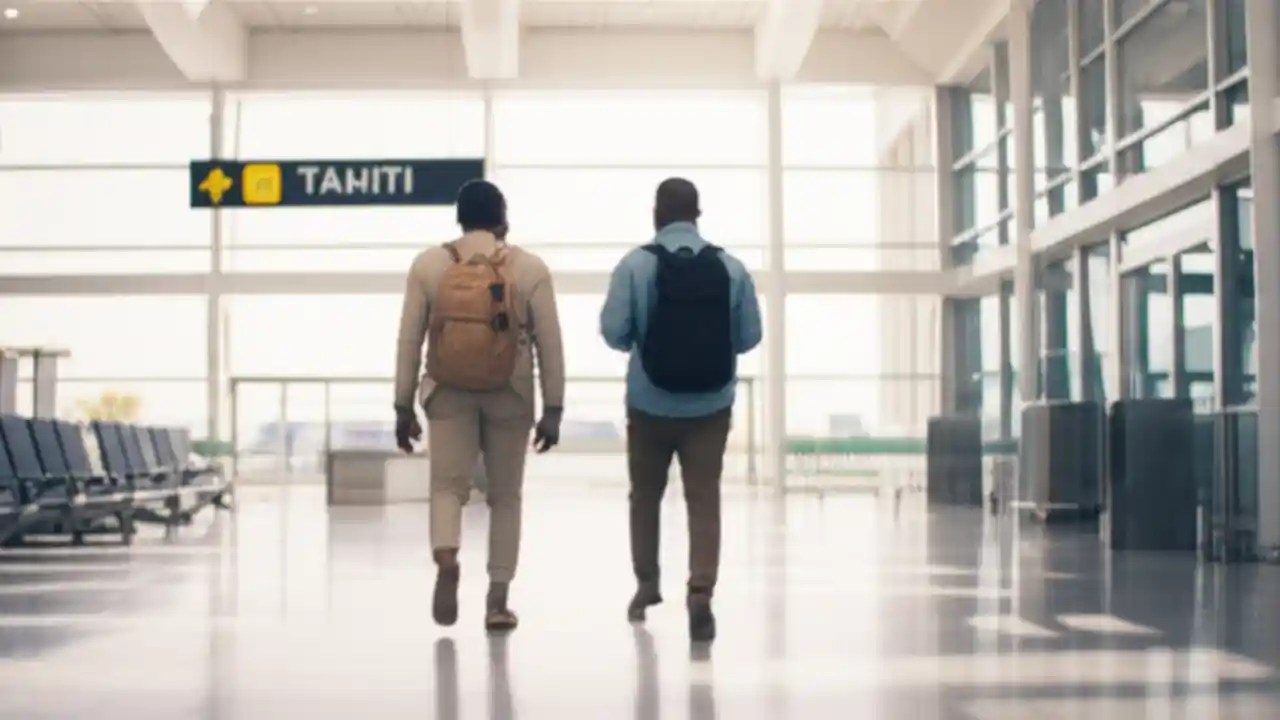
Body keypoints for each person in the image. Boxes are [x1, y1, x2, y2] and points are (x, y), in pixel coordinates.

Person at [394, 179, 565, 633]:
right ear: (502, 218)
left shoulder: (429, 266)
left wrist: (402, 405)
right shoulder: (529, 269)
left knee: (448, 487)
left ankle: (447, 558)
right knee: (505, 496)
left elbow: (410, 339)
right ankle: (497, 600)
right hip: (510, 393)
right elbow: (550, 342)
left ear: (459, 217)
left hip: (447, 389)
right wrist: (554, 408)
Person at [600, 177, 762, 642]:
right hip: (711, 405)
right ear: (697, 215)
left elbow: (614, 333)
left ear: (657, 213)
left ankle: (647, 585)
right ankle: (700, 593)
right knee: (704, 497)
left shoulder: (635, 265)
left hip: (649, 404)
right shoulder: (731, 268)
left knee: (645, 495)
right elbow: (749, 337)